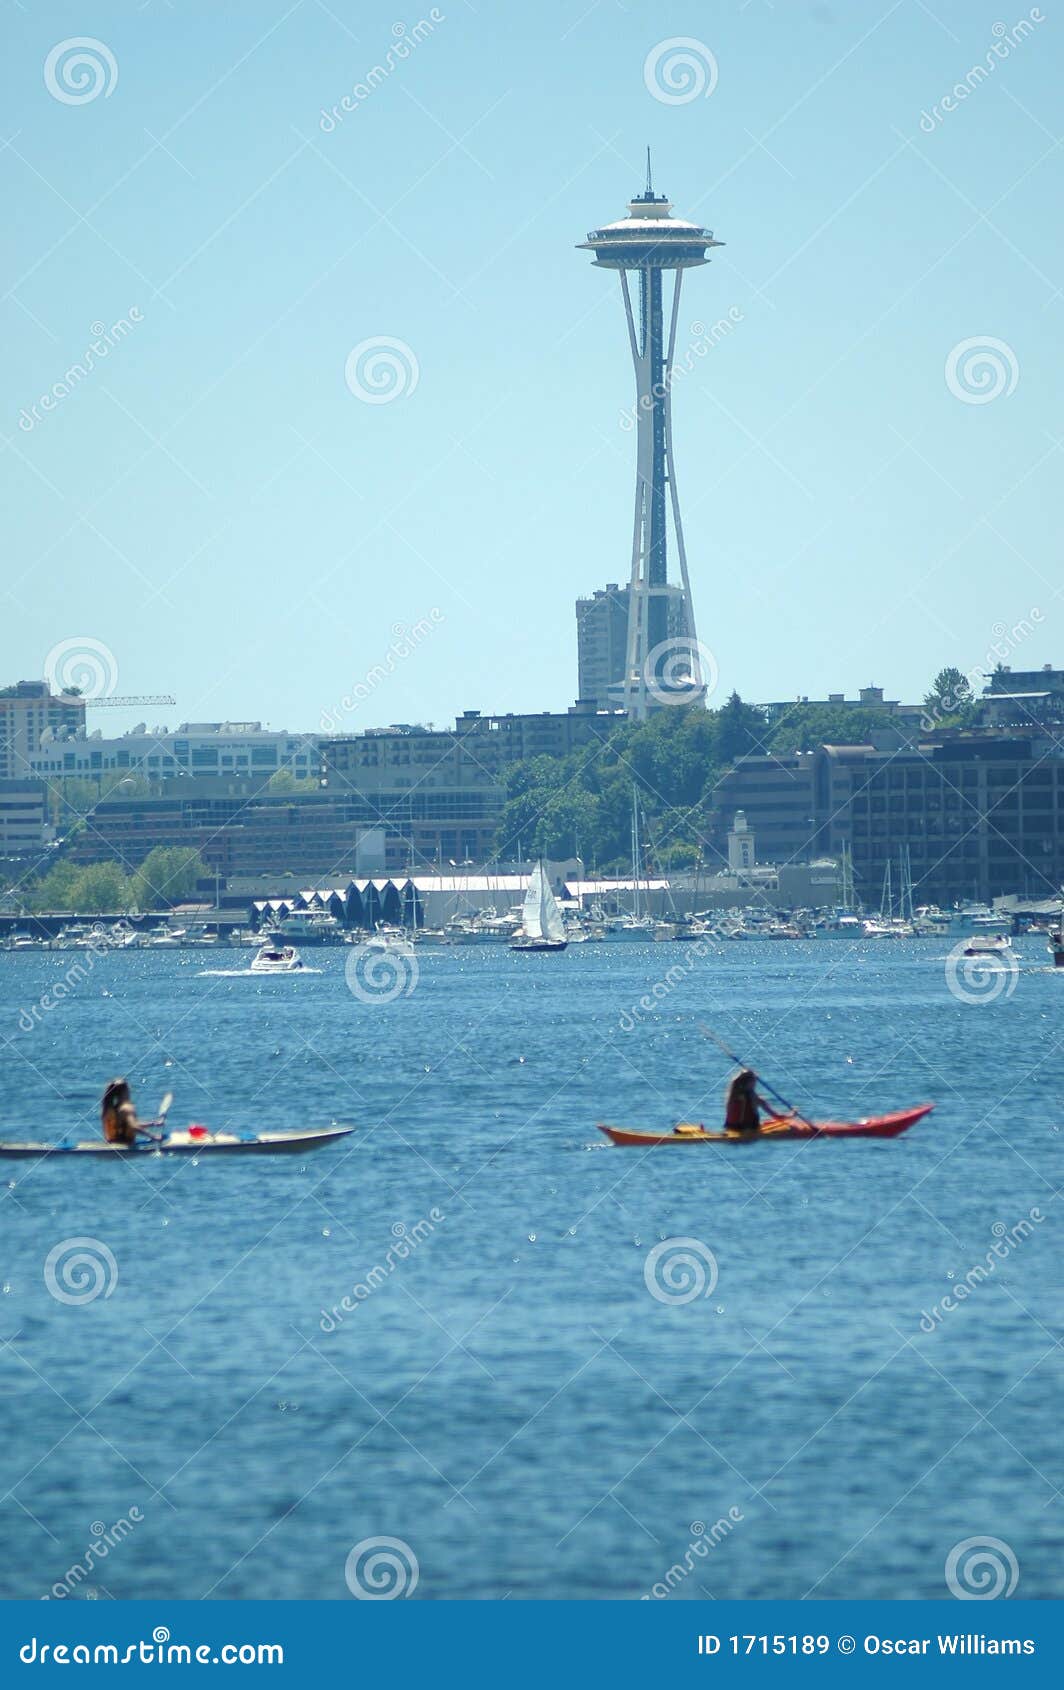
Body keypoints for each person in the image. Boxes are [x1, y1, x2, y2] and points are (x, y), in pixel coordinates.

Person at [723, 1068, 782, 1134]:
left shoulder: (733, 1094)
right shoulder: (753, 1097)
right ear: (750, 1082)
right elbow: (774, 1115)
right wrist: (785, 1116)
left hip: (731, 1127)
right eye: (755, 1081)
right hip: (748, 1129)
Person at [100, 1078, 149, 1145]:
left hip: (111, 1142)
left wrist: (153, 1124)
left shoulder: (108, 1108)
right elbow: (133, 1126)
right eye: (128, 1090)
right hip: (126, 1143)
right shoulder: (127, 1108)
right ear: (124, 1093)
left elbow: (126, 1124)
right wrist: (153, 1136)